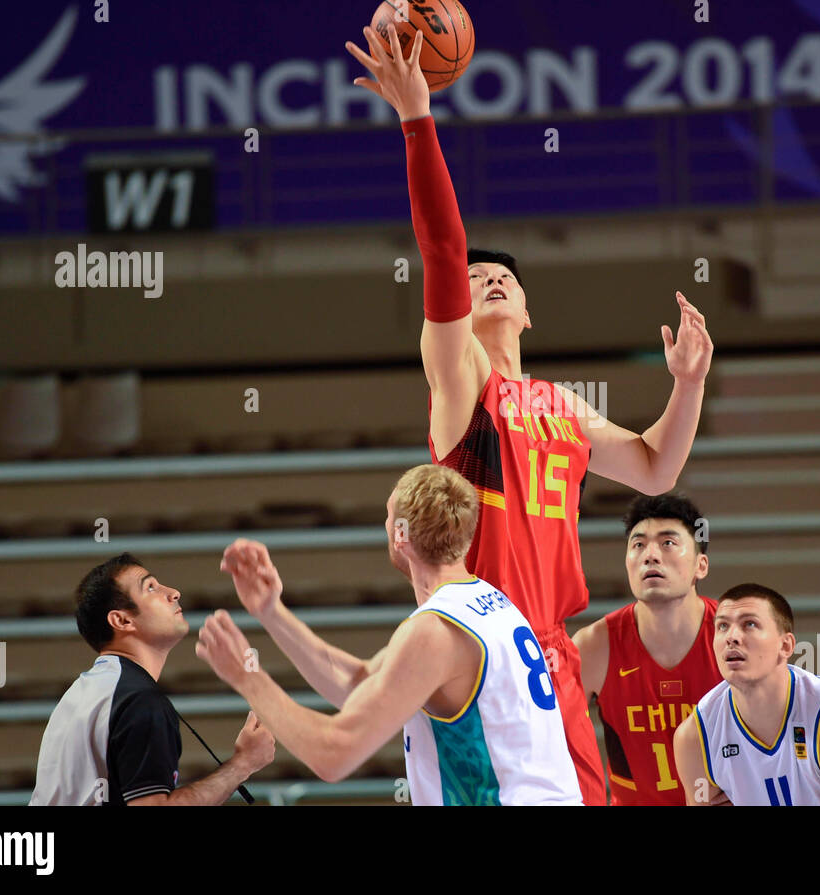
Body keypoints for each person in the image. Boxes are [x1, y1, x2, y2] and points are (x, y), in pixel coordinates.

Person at [344, 27, 714, 806]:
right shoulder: (462, 383)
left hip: (549, 649)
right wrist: (418, 118)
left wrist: (687, 384)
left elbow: (655, 467)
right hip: (480, 640)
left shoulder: (562, 406)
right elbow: (444, 251)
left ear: (528, 311)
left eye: (502, 275)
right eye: (477, 278)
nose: (488, 279)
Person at [195, 464, 582, 805]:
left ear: (400, 535)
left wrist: (246, 678)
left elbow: (333, 754)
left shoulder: (435, 631)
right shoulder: (487, 601)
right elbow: (360, 683)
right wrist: (271, 612)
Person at [30, 554, 275, 805]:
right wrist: (243, 763)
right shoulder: (138, 700)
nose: (174, 593)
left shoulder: (82, 692)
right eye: (150, 587)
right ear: (122, 620)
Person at [672, 584, 820, 806]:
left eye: (750, 624)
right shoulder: (695, 737)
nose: (732, 637)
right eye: (722, 626)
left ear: (785, 646)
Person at [573, 494, 722, 805]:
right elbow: (550, 739)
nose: (650, 555)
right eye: (638, 545)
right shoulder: (594, 645)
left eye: (668, 543)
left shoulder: (732, 636)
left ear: (701, 565)